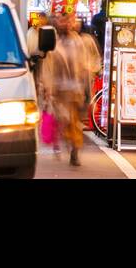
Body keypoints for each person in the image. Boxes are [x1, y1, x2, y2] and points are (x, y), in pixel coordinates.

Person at [41, 14, 101, 166]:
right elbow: (48, 66)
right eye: (62, 21)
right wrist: (47, 87)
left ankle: (75, 149)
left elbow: (88, 63)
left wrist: (89, 80)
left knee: (74, 121)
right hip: (59, 90)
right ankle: (70, 141)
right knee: (64, 120)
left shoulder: (80, 42)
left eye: (69, 21)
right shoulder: (54, 42)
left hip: (76, 89)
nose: (66, 24)